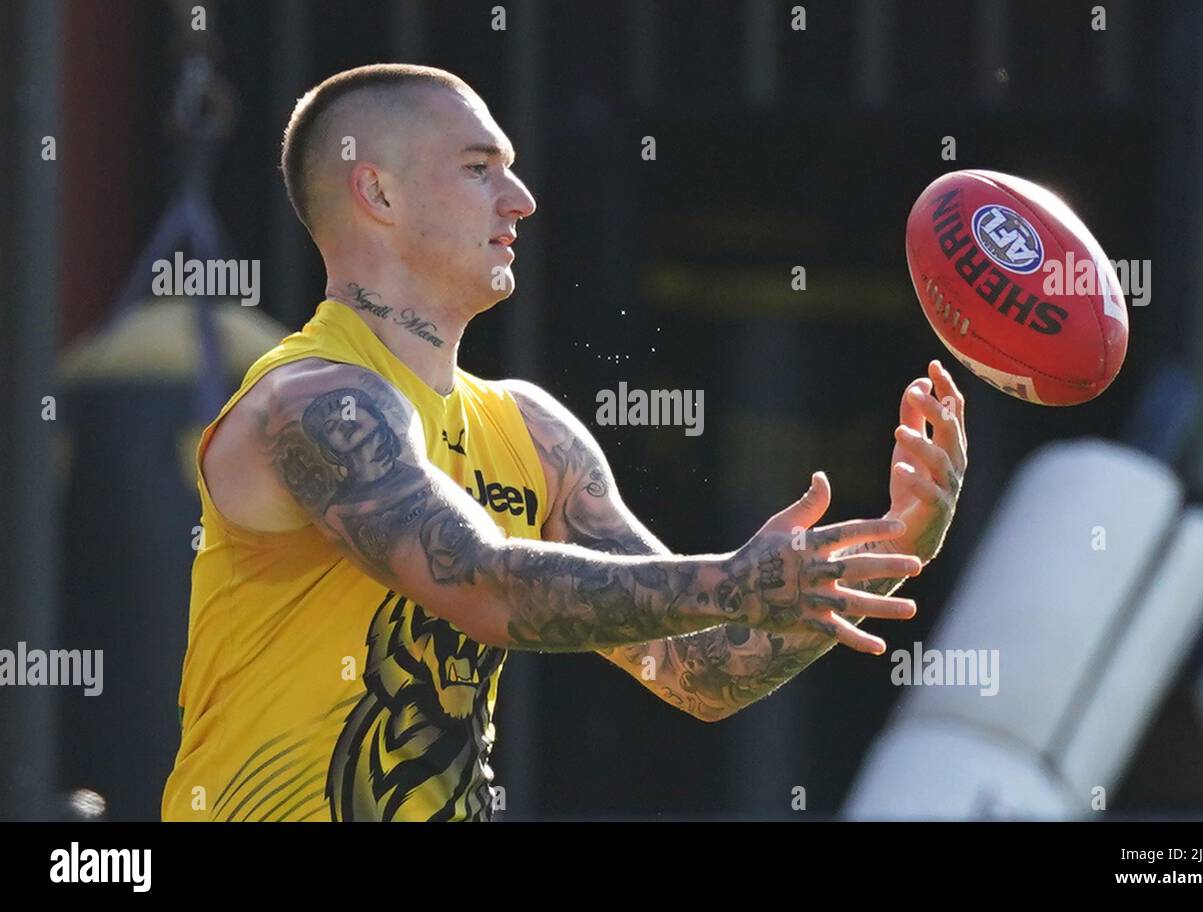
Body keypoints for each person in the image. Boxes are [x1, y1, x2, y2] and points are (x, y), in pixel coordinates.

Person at [161, 63, 967, 822]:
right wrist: (732, 578)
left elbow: (698, 669)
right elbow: (485, 587)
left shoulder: (531, 430)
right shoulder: (309, 401)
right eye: (480, 168)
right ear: (377, 191)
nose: (521, 199)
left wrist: (891, 550)